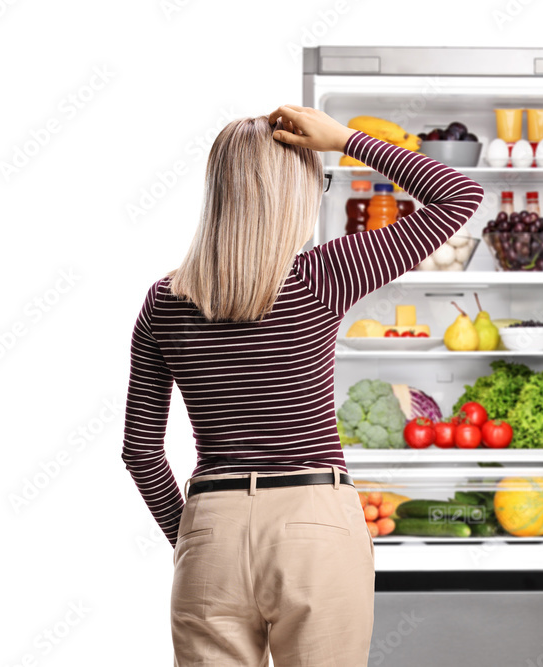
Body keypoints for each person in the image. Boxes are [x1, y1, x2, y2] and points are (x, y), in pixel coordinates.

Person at [120, 105, 484, 666]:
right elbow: (457, 196)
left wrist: (193, 540)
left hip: (211, 527)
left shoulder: (164, 301)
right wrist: (344, 139)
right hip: (315, 520)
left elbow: (141, 453)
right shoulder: (321, 275)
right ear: (297, 189)